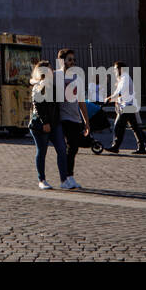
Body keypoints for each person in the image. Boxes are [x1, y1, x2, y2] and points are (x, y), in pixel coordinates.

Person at [28, 60, 67, 189]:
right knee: (42, 151)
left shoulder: (53, 85)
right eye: (49, 69)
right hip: (40, 124)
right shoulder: (38, 86)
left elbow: (57, 104)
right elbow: (37, 105)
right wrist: (45, 122)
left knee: (62, 149)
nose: (51, 71)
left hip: (55, 123)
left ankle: (64, 180)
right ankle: (42, 180)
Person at [56, 48, 91, 190]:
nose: (72, 62)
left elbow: (81, 102)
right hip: (63, 118)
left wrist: (87, 122)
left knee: (74, 148)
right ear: (62, 61)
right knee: (69, 148)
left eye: (73, 60)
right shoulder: (55, 76)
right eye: (69, 59)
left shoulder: (78, 78)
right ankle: (65, 178)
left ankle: (69, 176)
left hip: (76, 119)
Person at [106, 61, 146, 154]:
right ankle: (143, 147)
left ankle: (115, 146)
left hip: (127, 106)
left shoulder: (125, 78)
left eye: (115, 69)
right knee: (135, 127)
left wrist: (109, 98)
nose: (114, 71)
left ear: (121, 69)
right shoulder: (122, 79)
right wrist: (110, 99)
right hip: (128, 106)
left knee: (118, 126)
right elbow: (118, 94)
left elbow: (121, 92)